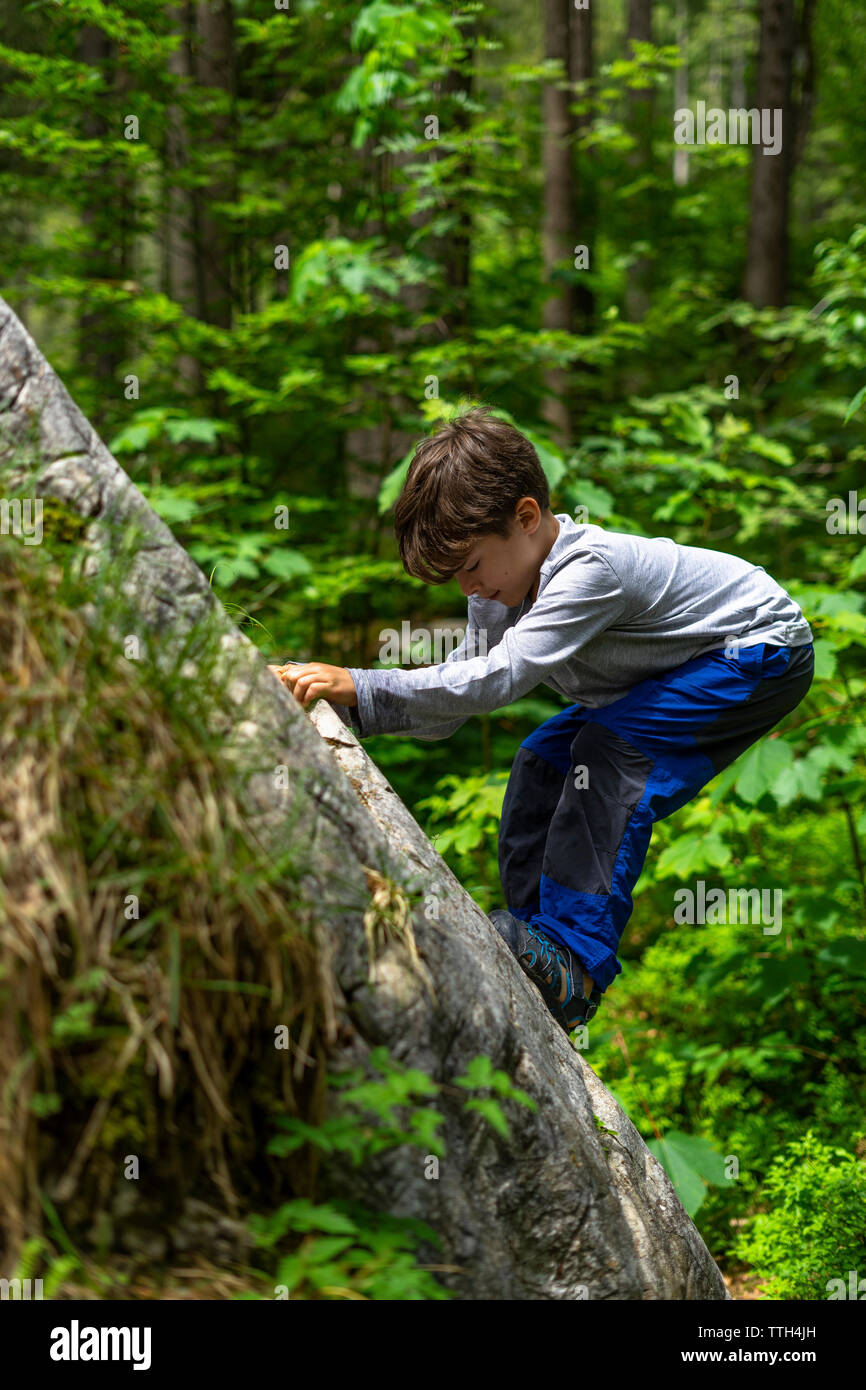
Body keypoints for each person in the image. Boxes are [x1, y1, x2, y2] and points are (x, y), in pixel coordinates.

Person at [269, 406, 815, 1039]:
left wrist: (361, 682)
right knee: (543, 759)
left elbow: (499, 679)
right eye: (455, 577)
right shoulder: (497, 591)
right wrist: (353, 707)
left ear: (526, 518)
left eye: (471, 565)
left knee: (606, 758)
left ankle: (573, 966)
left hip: (760, 650)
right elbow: (460, 696)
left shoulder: (590, 571)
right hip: (679, 663)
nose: (468, 587)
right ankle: (537, 945)